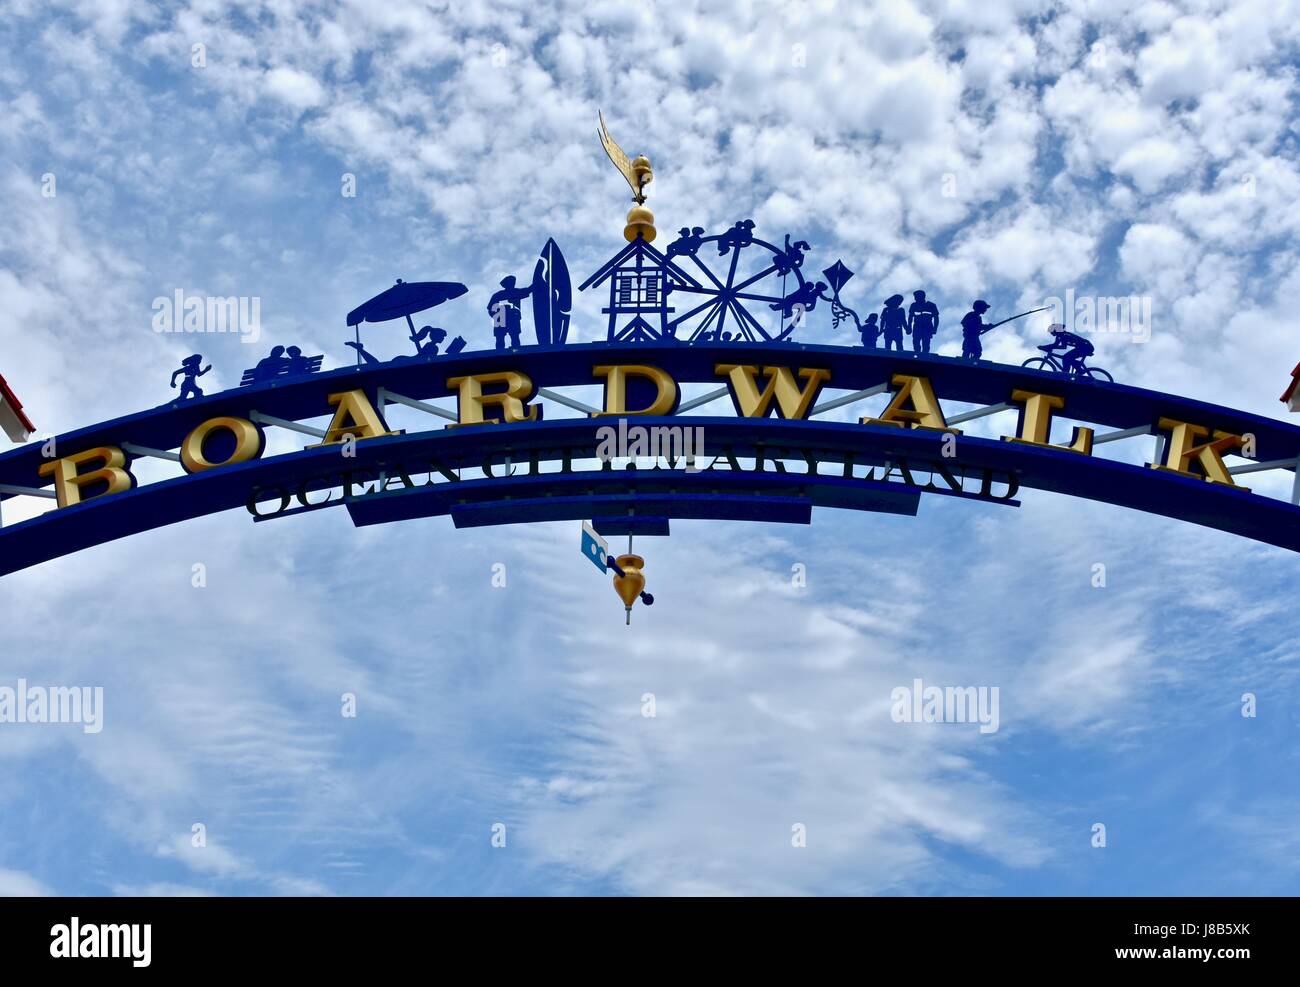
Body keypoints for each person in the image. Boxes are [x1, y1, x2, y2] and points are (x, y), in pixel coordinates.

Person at [487, 276, 531, 349]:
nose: (513, 284)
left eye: (513, 282)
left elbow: (529, 290)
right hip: (500, 317)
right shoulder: (498, 295)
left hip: (513, 316)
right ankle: (500, 352)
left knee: (514, 337)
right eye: (511, 282)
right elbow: (490, 308)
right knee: (500, 338)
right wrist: (495, 316)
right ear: (506, 284)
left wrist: (537, 281)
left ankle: (516, 352)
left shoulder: (516, 292)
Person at [907, 290, 939, 355]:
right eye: (915, 297)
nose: (915, 298)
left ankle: (925, 356)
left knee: (926, 343)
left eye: (916, 297)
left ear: (922, 296)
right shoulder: (913, 305)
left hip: (927, 327)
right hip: (917, 327)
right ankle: (917, 355)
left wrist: (935, 328)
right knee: (916, 342)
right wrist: (909, 327)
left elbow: (936, 318)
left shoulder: (931, 305)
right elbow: (910, 317)